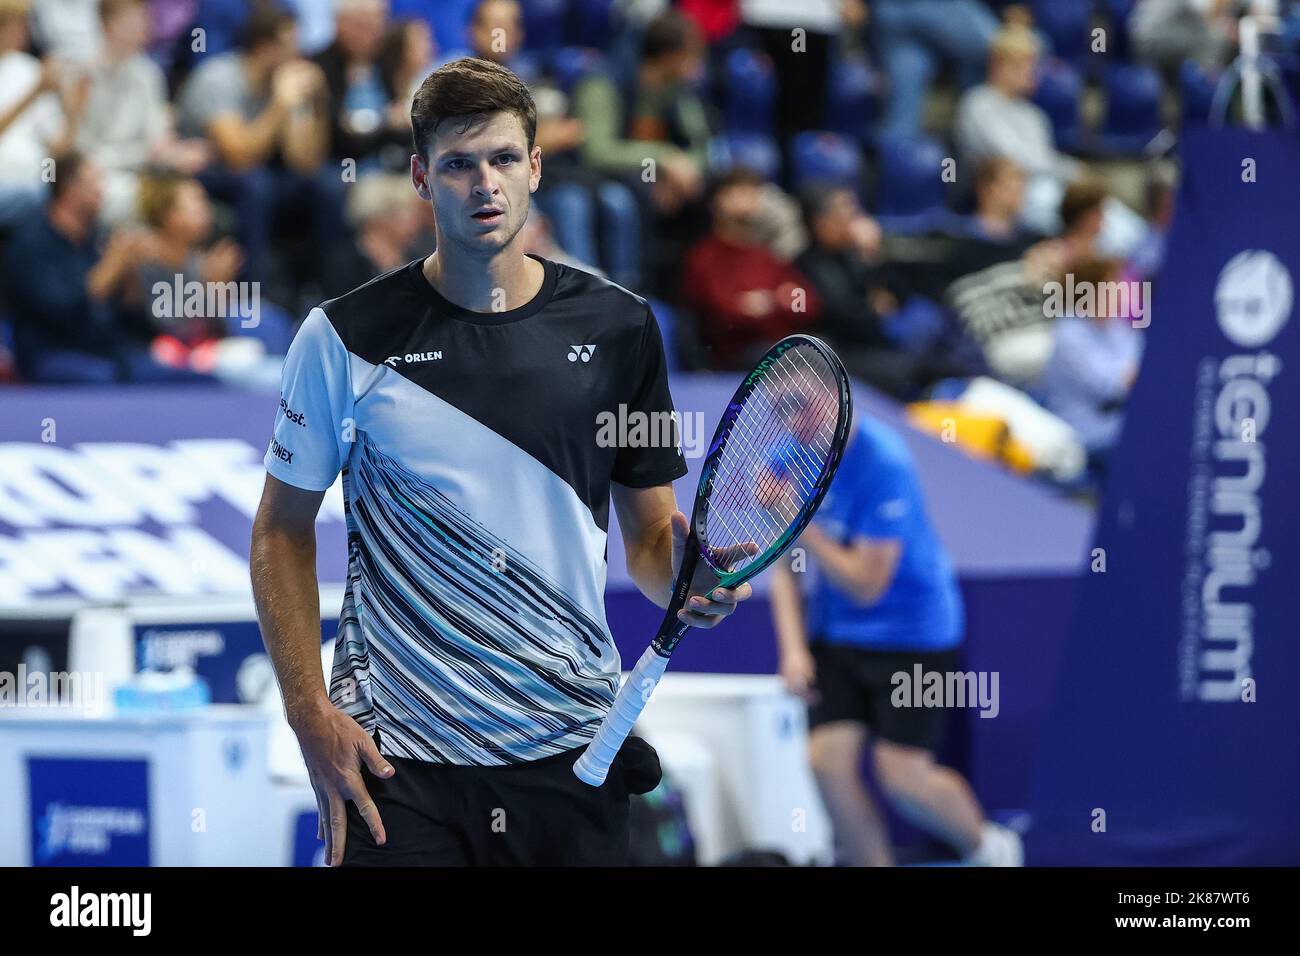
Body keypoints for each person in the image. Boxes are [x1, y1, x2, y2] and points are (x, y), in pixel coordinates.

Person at [250, 56, 753, 867]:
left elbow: (653, 543)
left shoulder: (621, 328)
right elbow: (279, 531)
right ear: (420, 177)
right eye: (457, 164)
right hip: (395, 764)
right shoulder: (342, 338)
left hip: (569, 753)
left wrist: (691, 583)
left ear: (536, 167)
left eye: (503, 159)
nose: (484, 184)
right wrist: (306, 710)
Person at [769, 411, 1022, 866]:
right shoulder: (787, 460)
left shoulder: (885, 462)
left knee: (902, 776)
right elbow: (785, 567)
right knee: (827, 764)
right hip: (836, 634)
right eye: (780, 408)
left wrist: (800, 521)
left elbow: (867, 585)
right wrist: (792, 649)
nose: (792, 419)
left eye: (800, 404)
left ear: (832, 395)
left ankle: (990, 850)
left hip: (914, 634)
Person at [2, 152, 212, 384]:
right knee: (108, 380)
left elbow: (135, 325)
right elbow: (58, 313)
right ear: (69, 188)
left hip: (109, 351)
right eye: (95, 182)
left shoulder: (95, 242)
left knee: (191, 378)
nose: (102, 191)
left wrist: (130, 282)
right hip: (52, 353)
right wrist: (108, 270)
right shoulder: (31, 243)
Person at [681, 167, 820, 369]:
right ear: (717, 201)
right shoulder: (703, 257)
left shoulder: (765, 256)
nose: (746, 201)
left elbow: (808, 304)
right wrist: (775, 302)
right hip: (732, 360)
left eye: (752, 193)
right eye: (738, 192)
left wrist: (774, 303)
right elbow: (721, 315)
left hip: (779, 350)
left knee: (822, 350)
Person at [1038, 256, 1144, 475]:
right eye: (1113, 286)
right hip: (1084, 431)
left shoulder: (1116, 325)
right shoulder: (1068, 333)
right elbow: (1109, 387)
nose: (1121, 294)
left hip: (1123, 421)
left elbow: (1140, 365)